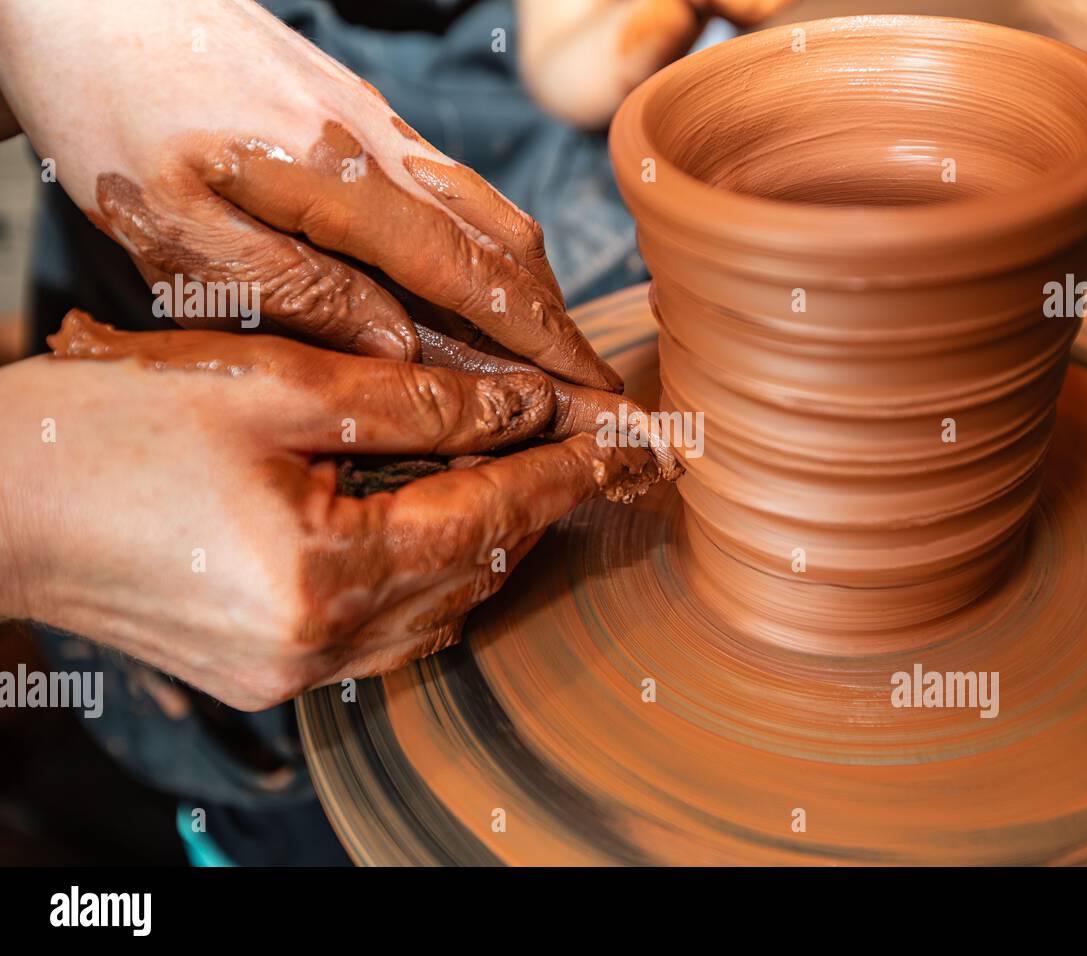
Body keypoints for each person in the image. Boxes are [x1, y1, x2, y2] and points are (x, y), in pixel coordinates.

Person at [0, 0, 789, 864]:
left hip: (284, 76)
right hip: (137, 409)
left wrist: (67, 24)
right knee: (318, 728)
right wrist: (33, 507)